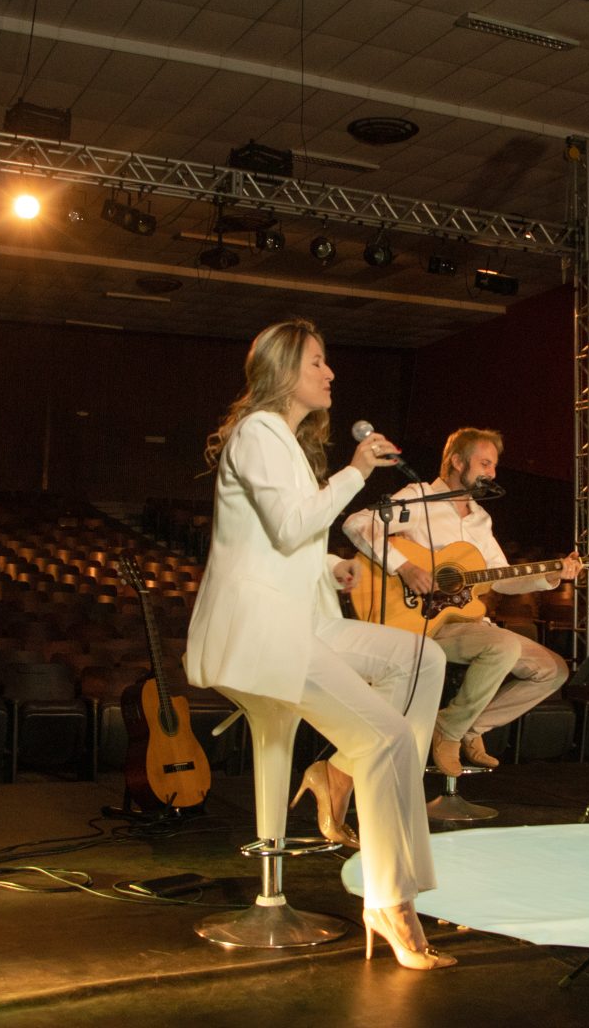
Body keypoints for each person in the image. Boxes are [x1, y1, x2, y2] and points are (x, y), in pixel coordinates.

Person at [184, 319, 454, 971]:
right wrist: (356, 472)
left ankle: (366, 776)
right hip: (263, 635)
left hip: (303, 622)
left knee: (425, 658)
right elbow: (286, 526)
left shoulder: (282, 441)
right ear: (282, 372)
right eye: (316, 363)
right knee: (386, 737)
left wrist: (330, 568)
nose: (330, 374)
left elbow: (289, 542)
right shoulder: (256, 433)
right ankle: (389, 899)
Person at [343, 427, 581, 778]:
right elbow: (356, 524)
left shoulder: (481, 520)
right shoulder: (419, 497)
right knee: (501, 646)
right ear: (457, 461)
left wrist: (552, 575)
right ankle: (450, 734)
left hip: (468, 625)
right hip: (422, 622)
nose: (492, 473)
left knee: (554, 670)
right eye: (485, 463)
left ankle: (464, 727)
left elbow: (500, 578)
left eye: (495, 466)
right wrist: (405, 567)